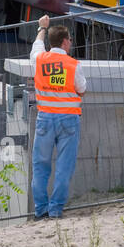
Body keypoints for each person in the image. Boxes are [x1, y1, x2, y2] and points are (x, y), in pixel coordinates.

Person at [30, 14, 87, 219]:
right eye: (70, 39)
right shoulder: (73, 64)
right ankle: (55, 210)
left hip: (45, 118)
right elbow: (81, 89)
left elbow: (37, 44)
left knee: (40, 165)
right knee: (64, 166)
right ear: (64, 42)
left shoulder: (39, 59)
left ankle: (40, 209)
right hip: (68, 119)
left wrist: (42, 27)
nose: (71, 43)